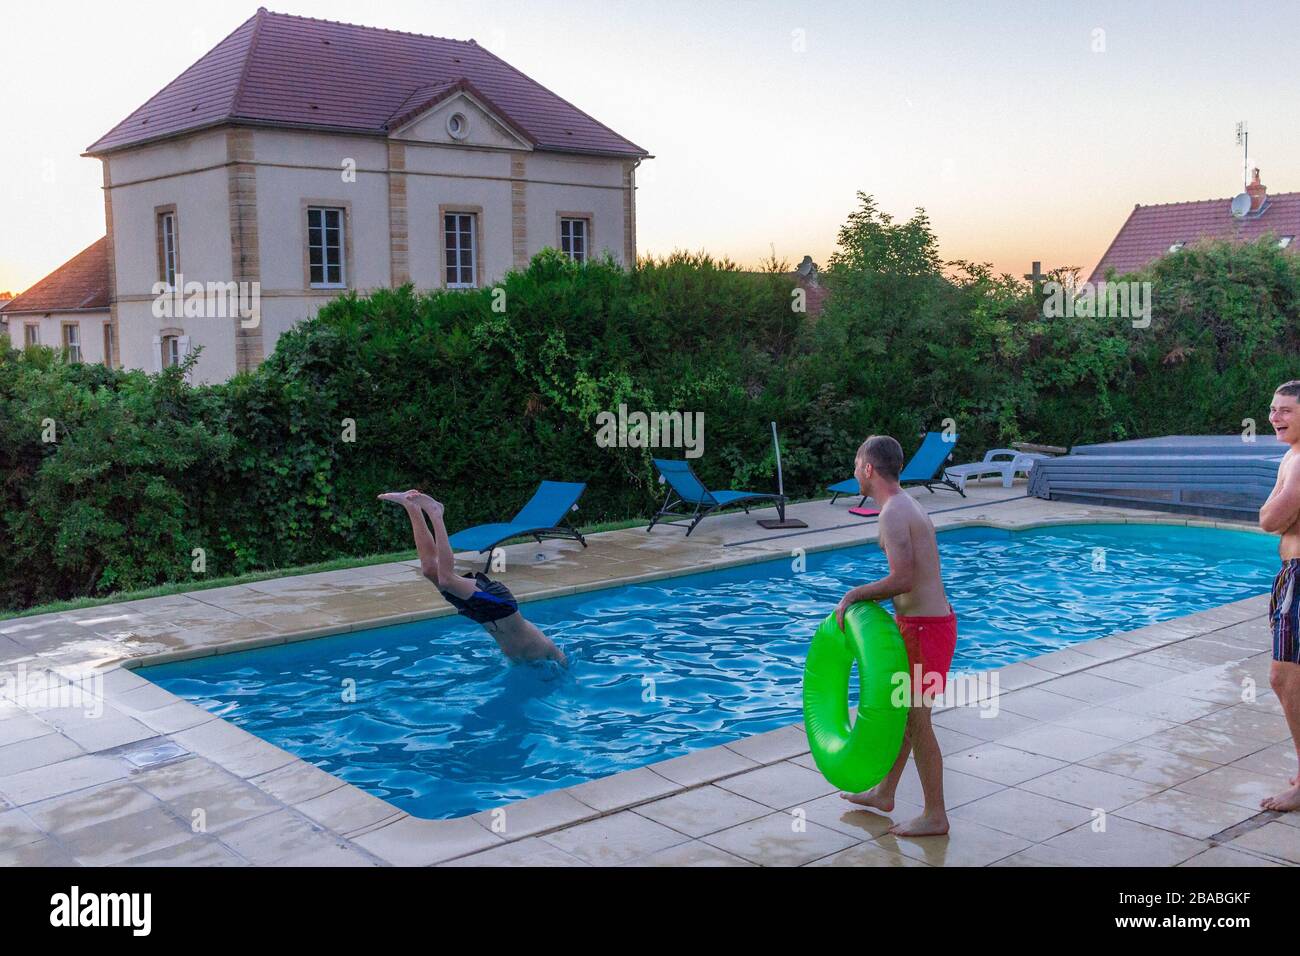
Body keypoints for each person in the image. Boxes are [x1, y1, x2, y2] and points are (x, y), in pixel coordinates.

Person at [836, 435, 957, 836]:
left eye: (856, 462)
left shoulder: (891, 513)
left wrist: (855, 594)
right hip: (924, 625)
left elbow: (903, 579)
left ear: (869, 469)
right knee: (909, 716)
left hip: (925, 629)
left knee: (918, 721)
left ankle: (935, 814)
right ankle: (885, 793)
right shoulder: (906, 504)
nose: (854, 470)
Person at [379, 490, 565, 664]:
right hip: (501, 606)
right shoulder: (551, 654)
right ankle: (436, 513)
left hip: (482, 616)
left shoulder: (526, 663)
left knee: (429, 570)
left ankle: (412, 507)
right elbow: (563, 663)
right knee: (446, 579)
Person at [1259, 381, 1300, 812]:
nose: (1275, 417)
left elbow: (1271, 518)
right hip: (1293, 571)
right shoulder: (1292, 456)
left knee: (1283, 677)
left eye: (1286, 410)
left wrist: (1273, 510)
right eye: (1273, 410)